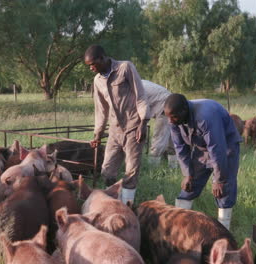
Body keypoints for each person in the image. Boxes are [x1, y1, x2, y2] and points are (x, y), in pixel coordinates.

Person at [164, 93, 242, 230]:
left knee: (223, 190)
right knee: (189, 185)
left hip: (226, 146)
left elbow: (217, 149)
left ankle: (224, 232)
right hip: (203, 148)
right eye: (168, 117)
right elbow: (180, 148)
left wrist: (219, 180)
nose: (170, 121)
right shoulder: (174, 120)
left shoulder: (205, 117)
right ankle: (179, 228)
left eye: (174, 117)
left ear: (184, 111)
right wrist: (187, 174)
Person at [86, 44, 149, 205]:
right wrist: (97, 134)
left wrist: (144, 122)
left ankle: (128, 206)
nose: (91, 68)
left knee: (131, 170)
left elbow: (140, 95)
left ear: (102, 58)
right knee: (107, 170)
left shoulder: (124, 68)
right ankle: (114, 201)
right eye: (89, 66)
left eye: (93, 64)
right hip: (115, 129)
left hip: (133, 126)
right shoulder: (97, 80)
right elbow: (101, 110)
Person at [140, 79, 178, 168]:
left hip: (165, 107)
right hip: (170, 103)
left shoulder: (135, 87)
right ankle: (173, 167)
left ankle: (152, 168)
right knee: (171, 139)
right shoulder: (140, 82)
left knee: (159, 138)